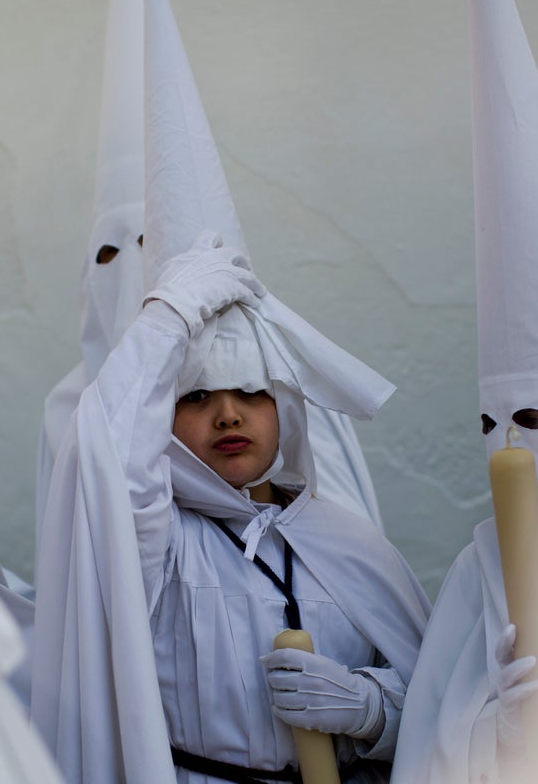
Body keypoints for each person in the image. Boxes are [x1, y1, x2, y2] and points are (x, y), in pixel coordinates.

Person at [34, 234, 430, 784]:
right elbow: (113, 460)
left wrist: (373, 708)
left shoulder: (350, 543)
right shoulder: (158, 541)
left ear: (285, 410)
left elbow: (446, 705)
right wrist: (170, 318)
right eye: (195, 397)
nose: (228, 416)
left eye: (250, 391)